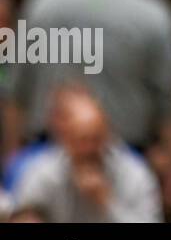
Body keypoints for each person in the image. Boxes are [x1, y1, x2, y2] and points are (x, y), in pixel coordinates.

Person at [3, 0, 171, 207]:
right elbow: (166, 103)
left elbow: (15, 91)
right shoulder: (154, 13)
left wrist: (12, 159)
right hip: (122, 162)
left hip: (48, 154)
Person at [11, 83, 161, 223]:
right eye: (81, 140)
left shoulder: (134, 174)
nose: (88, 148)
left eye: (95, 139)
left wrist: (107, 203)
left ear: (108, 135)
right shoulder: (45, 174)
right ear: (65, 138)